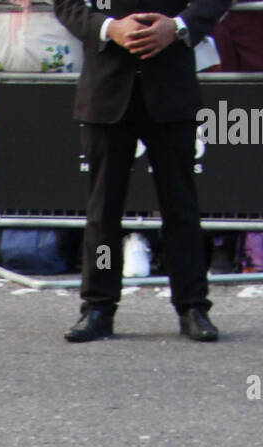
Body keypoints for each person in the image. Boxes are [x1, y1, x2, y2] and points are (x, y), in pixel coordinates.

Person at [53, 0, 234, 344]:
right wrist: (109, 28)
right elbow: (67, 4)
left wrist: (179, 27)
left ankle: (192, 306)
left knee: (181, 207)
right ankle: (98, 307)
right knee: (103, 211)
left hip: (171, 89)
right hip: (105, 90)